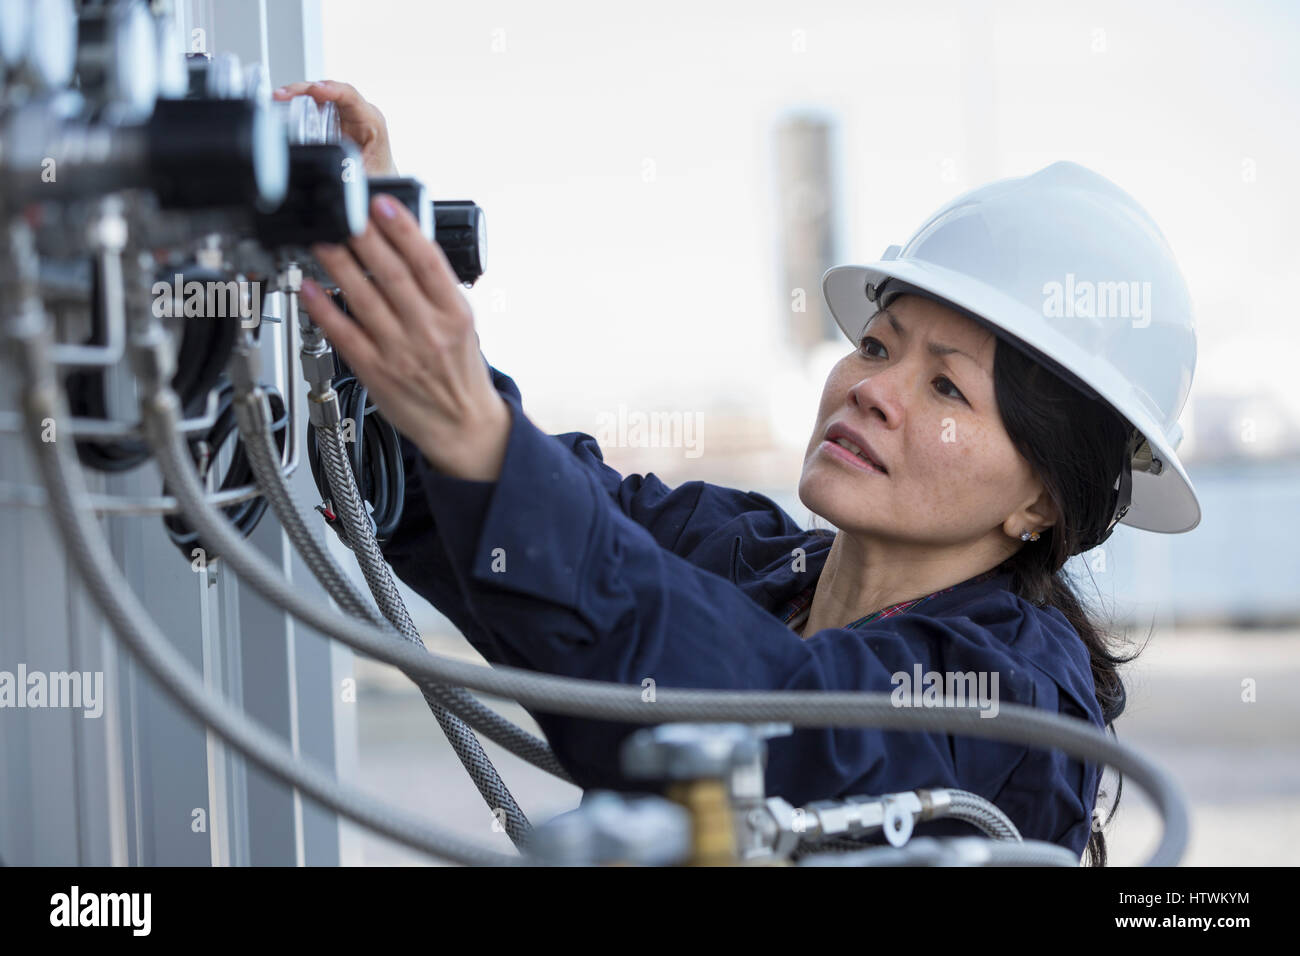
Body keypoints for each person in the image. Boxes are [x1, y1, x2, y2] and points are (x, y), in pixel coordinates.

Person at [275, 82, 1199, 866]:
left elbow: (788, 731)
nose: (874, 389)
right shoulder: (754, 562)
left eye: (948, 387)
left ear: (1043, 496)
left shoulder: (1016, 696)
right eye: (876, 345)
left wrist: (477, 432)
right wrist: (372, 251)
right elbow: (535, 517)